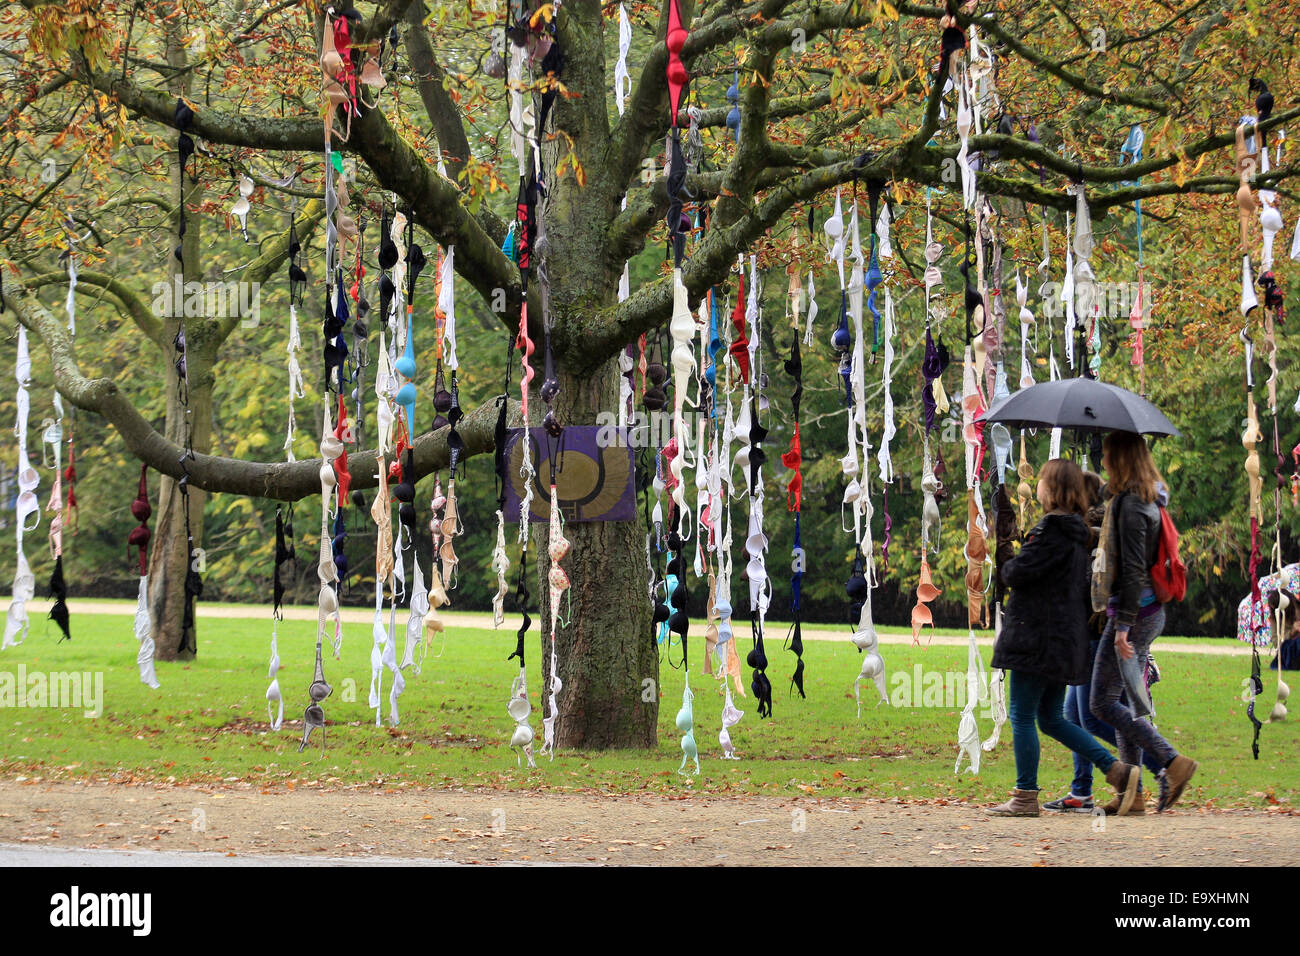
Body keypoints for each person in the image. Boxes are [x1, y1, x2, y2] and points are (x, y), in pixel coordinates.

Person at [989, 458, 1140, 817]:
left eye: (1041, 480)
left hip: (1036, 638)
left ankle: (1025, 794)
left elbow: (1017, 573)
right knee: (1052, 718)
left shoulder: (1052, 530)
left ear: (1053, 489)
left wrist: (1007, 551)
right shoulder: (1076, 531)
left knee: (1022, 715)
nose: (1037, 486)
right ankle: (1116, 770)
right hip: (1062, 641)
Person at [1090, 431, 1197, 813]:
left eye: (1106, 455)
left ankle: (1172, 762)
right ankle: (1130, 796)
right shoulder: (1138, 498)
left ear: (1121, 459)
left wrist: (1122, 627)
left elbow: (1134, 570)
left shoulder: (1134, 506)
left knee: (1101, 703)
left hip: (1135, 615)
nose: (1103, 461)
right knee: (1125, 702)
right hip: (1141, 613)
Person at [1047, 471, 1166, 813]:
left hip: (1095, 636)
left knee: (1096, 715)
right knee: (1075, 715)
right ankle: (1082, 790)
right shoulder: (1088, 532)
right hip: (1086, 636)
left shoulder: (1092, 536)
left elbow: (1091, 589)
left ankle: (1162, 765)